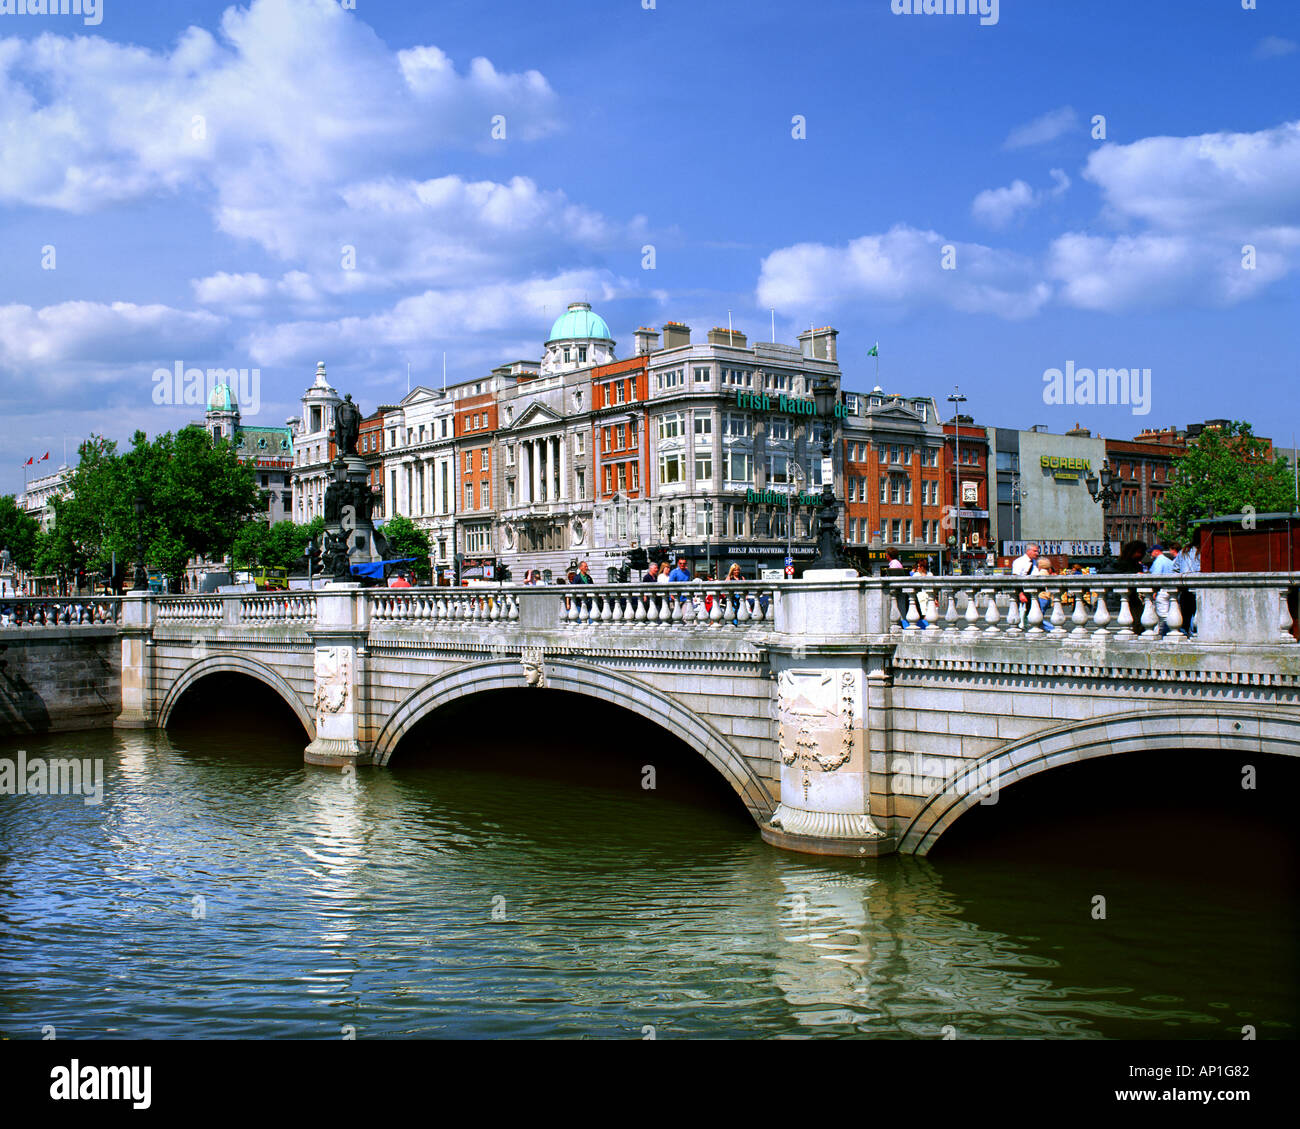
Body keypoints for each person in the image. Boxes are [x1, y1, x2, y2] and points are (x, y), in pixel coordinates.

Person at [1173, 533, 1200, 634]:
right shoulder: (1204, 551)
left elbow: (1175, 568)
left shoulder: (1184, 551)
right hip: (1197, 589)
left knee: (1185, 616)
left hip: (1185, 589)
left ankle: (1186, 633)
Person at [1148, 543, 1175, 634]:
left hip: (1162, 590)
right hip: (1171, 590)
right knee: (1171, 611)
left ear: (1156, 552)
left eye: (1151, 552)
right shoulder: (1169, 561)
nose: (1150, 555)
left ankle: (1168, 631)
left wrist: (1154, 590)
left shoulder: (1158, 561)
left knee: (1163, 614)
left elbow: (1155, 577)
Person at [1011, 543, 1040, 626]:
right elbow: (1015, 579)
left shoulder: (1034, 562)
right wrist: (1020, 594)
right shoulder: (1019, 562)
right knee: (1022, 611)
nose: (1037, 553)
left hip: (1032, 591)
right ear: (1028, 551)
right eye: (1035, 551)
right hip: (1023, 591)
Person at [908, 559, 934, 628]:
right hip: (920, 596)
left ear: (922, 567)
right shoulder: (916, 575)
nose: (917, 568)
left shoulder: (930, 574)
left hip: (928, 596)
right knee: (922, 613)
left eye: (919, 567)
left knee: (930, 613)